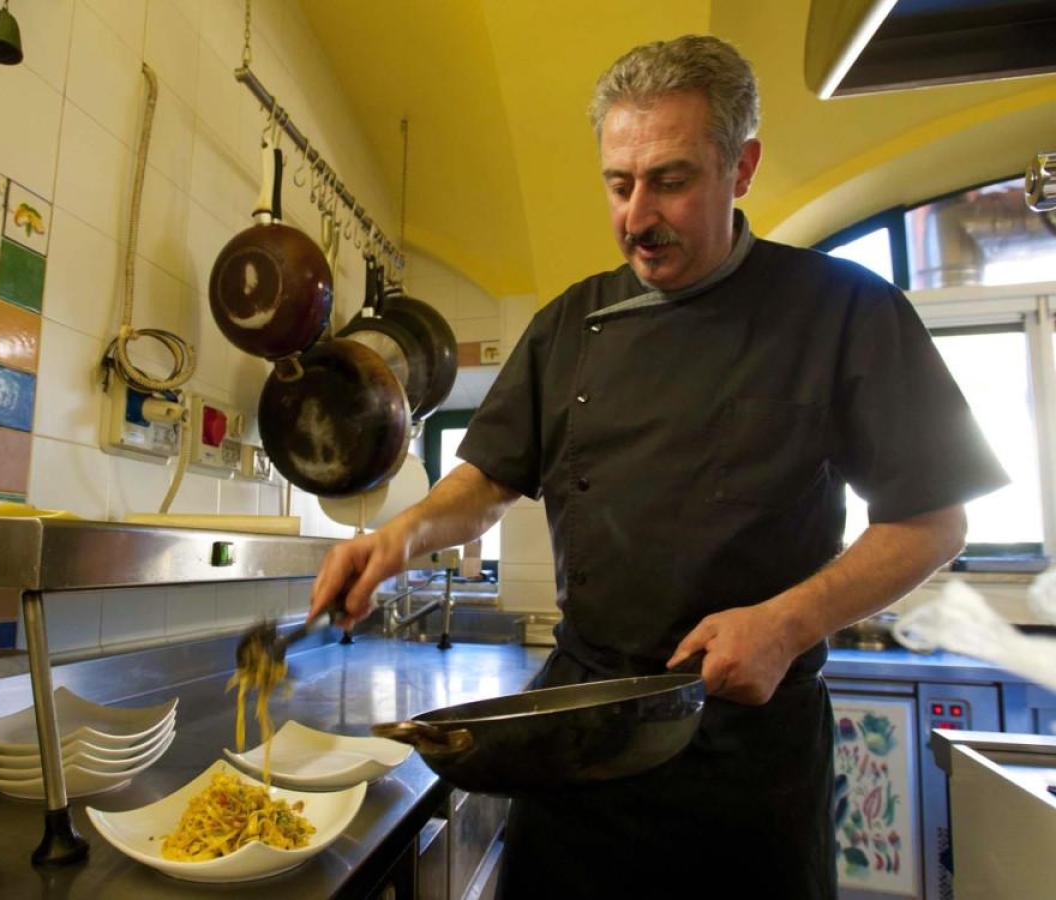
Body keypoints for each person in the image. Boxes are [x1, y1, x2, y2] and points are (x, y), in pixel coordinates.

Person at [308, 35, 1008, 898]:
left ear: (741, 167)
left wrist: (788, 623)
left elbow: (935, 519)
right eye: (618, 183)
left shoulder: (845, 311)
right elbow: (486, 478)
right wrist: (399, 536)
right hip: (582, 750)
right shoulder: (571, 324)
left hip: (745, 762)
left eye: (670, 181)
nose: (637, 217)